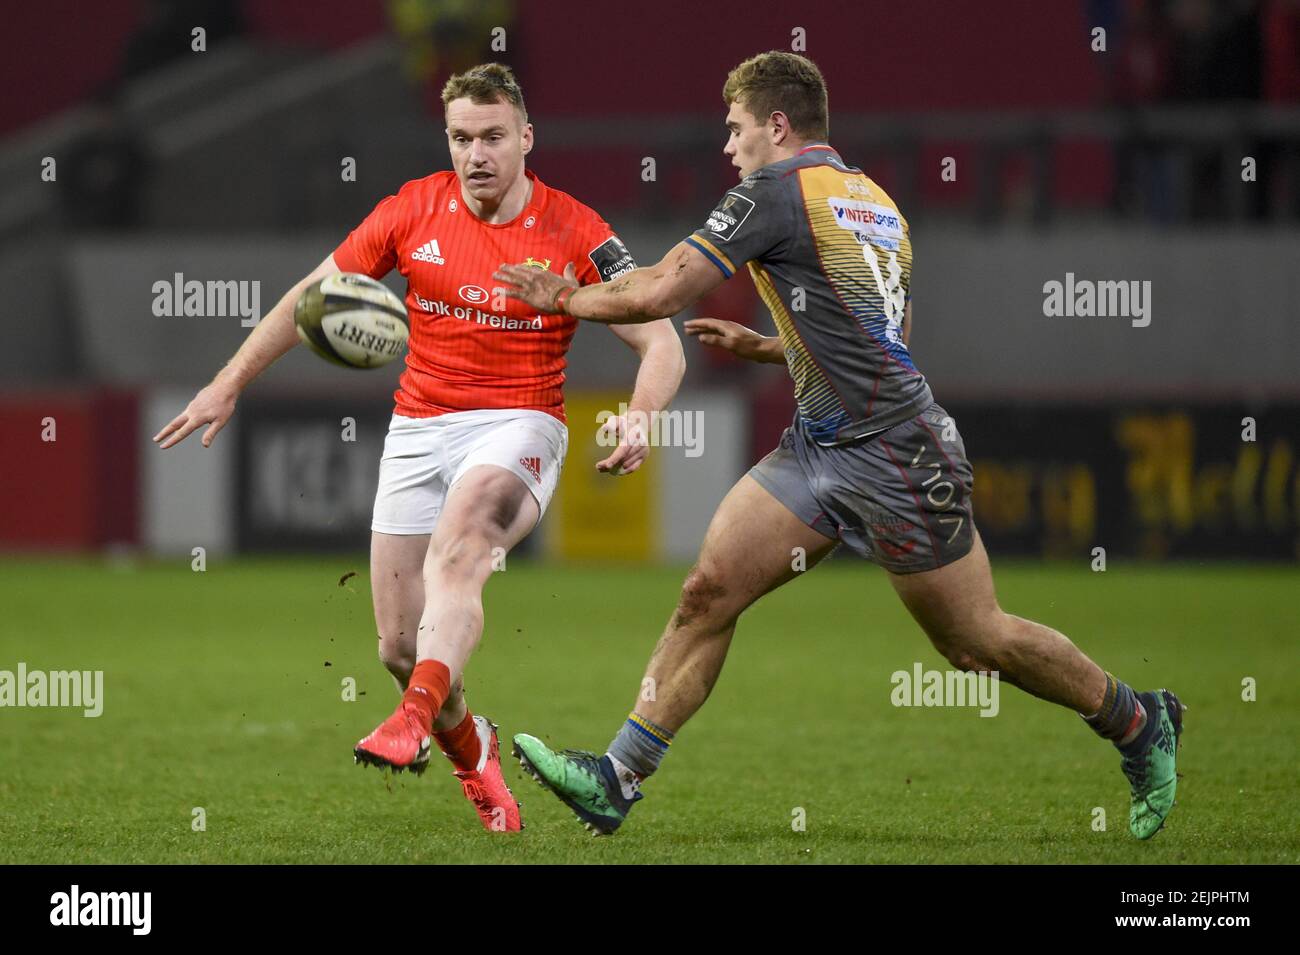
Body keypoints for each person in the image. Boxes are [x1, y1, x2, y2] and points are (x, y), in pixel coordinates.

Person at [496, 51, 1183, 840]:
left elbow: (655, 288)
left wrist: (563, 296)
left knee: (975, 641)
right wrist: (769, 346)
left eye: (736, 128)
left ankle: (1139, 721)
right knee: (708, 591)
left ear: (776, 125)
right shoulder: (874, 201)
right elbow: (889, 334)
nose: (729, 146)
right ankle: (616, 775)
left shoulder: (772, 193)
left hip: (896, 451)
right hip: (820, 445)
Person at [154, 63, 684, 833]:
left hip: (520, 423)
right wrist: (228, 381)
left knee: (461, 553)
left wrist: (640, 414)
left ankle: (409, 724)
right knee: (401, 644)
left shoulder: (579, 229)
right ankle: (474, 752)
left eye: (494, 137)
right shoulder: (411, 210)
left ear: (526, 138)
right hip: (418, 427)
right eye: (462, 137)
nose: (477, 154)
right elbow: (313, 296)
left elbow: (661, 340)